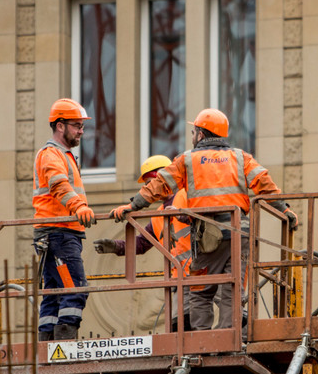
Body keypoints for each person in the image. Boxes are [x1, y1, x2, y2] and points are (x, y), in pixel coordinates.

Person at [110, 108, 297, 331]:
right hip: (240, 234)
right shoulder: (241, 157)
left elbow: (159, 185)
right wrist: (285, 210)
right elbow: (265, 185)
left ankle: (203, 340)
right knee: (232, 289)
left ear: (200, 134)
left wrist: (132, 206)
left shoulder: (188, 160)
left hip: (208, 237)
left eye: (193, 132)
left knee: (199, 291)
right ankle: (230, 338)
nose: (192, 136)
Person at [33, 98, 97, 341]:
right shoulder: (52, 154)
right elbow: (58, 185)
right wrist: (79, 206)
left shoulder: (63, 155)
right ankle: (63, 350)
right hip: (59, 233)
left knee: (54, 293)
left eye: (82, 126)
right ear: (60, 126)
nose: (81, 131)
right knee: (75, 289)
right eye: (77, 125)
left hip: (56, 234)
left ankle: (47, 348)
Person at [93, 154, 192, 274]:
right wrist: (116, 246)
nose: (148, 188)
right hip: (180, 278)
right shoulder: (158, 216)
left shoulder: (187, 195)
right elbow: (142, 243)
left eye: (150, 183)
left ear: (163, 178)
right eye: (146, 185)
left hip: (201, 272)